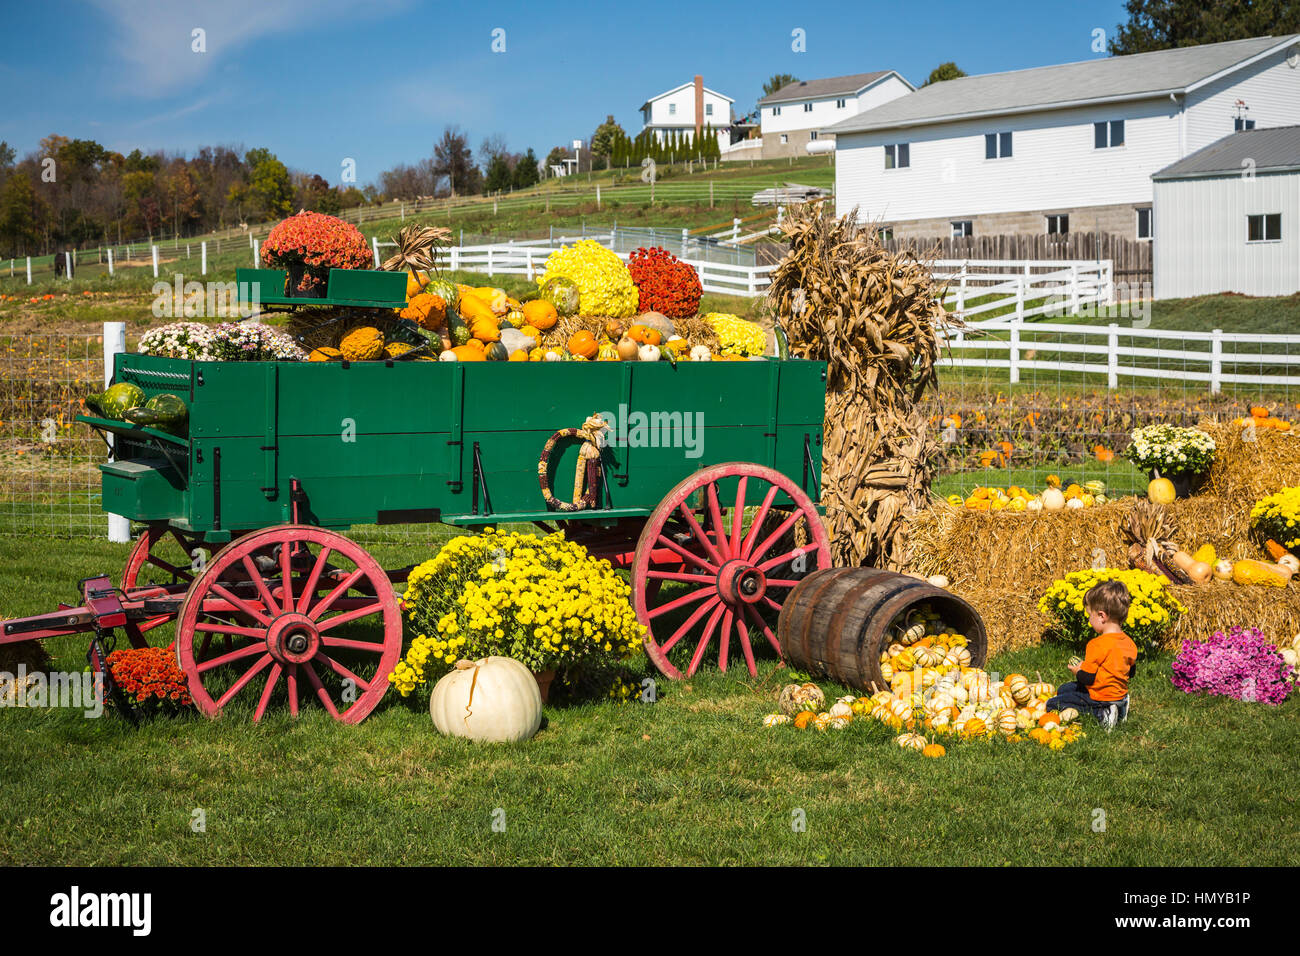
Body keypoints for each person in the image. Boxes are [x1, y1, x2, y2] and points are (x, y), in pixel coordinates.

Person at [1047, 580, 1138, 730]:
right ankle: (1120, 705)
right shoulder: (1129, 643)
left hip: (1099, 697)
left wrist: (1077, 670)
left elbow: (1087, 679)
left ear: (1101, 616)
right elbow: (1131, 672)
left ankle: (1102, 713)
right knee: (1064, 689)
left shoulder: (1096, 645)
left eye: (1090, 615)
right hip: (1119, 693)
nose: (1089, 620)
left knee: (1053, 702)